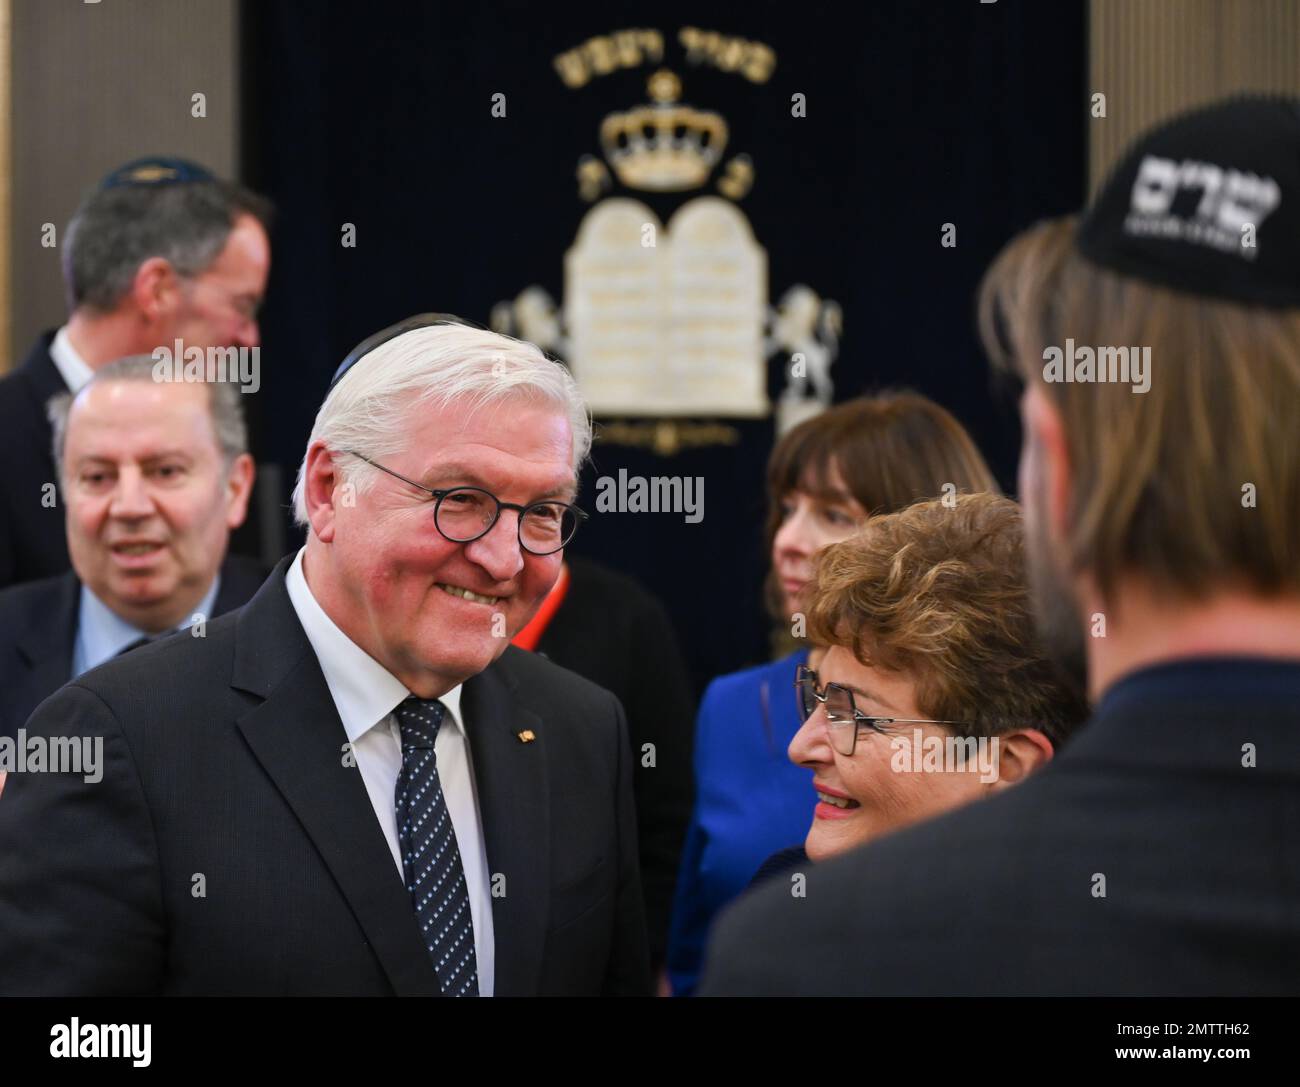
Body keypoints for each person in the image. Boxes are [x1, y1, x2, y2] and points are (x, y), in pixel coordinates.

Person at [701, 96, 1300, 996]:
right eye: (819, 696)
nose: (808, 741)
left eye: (855, 708)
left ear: (1056, 472)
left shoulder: (817, 954)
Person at [0, 318, 651, 997]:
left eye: (543, 511)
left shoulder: (581, 727)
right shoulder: (121, 737)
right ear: (326, 488)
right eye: (460, 500)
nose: (504, 557)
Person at [666, 391, 998, 995]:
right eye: (786, 508)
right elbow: (692, 948)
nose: (789, 540)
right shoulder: (731, 705)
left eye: (834, 514)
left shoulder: (1001, 719)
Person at [749, 492, 1086, 888]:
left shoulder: (1111, 942)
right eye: (818, 696)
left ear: (1009, 763)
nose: (800, 747)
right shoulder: (784, 903)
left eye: (854, 714)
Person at [0, 157, 271, 589]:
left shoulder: (219, 437)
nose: (249, 339)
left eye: (165, 471)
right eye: (242, 306)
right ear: (158, 290)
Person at [0, 356, 265, 740]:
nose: (130, 506)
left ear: (235, 488)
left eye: (165, 471)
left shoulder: (302, 642)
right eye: (97, 476)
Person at [512, 555, 695, 972]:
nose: (505, 548)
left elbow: (667, 816)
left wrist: (646, 960)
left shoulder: (628, 618)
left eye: (540, 512)